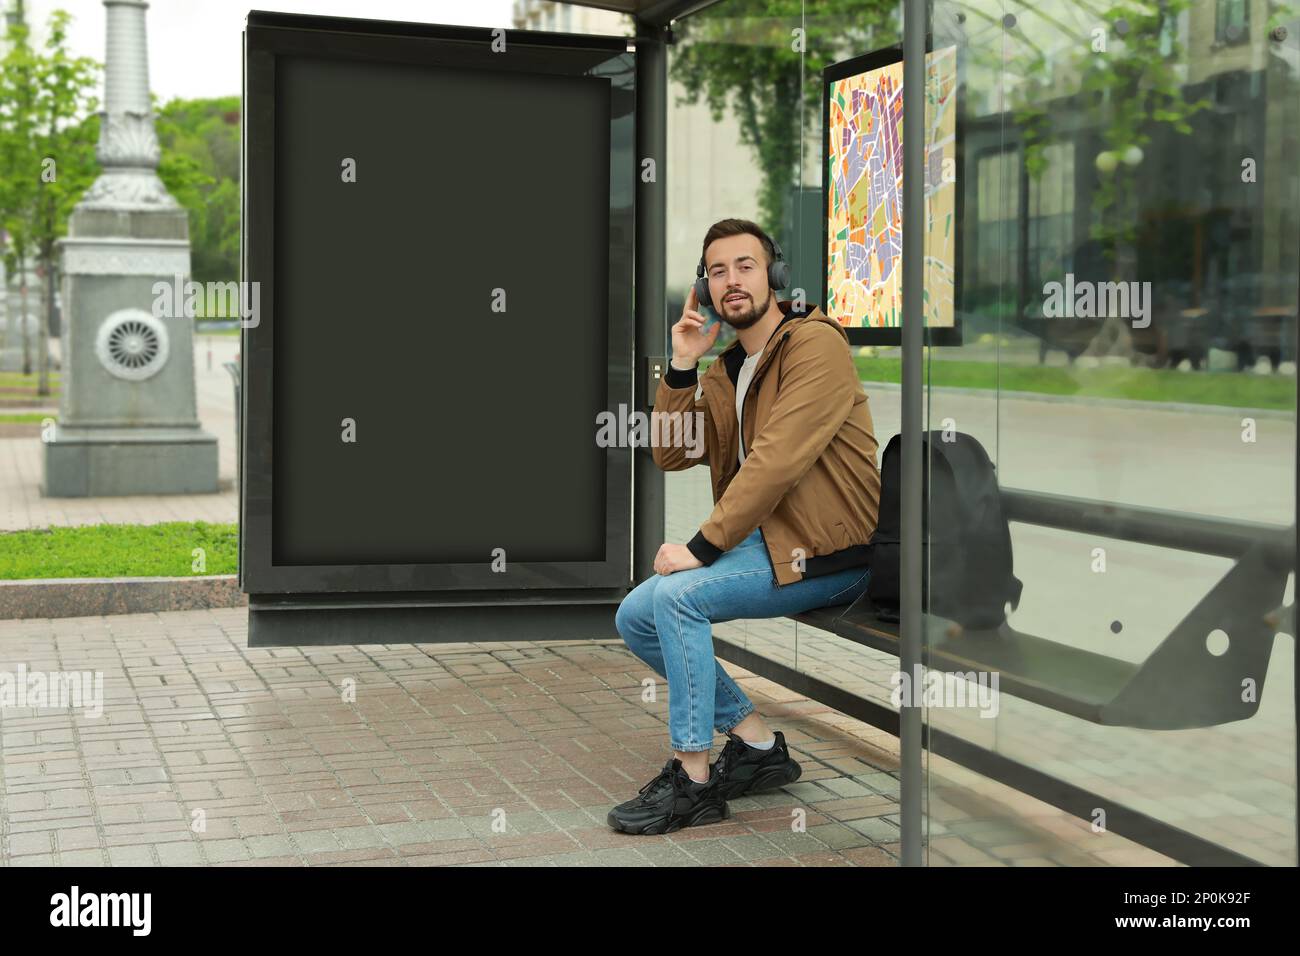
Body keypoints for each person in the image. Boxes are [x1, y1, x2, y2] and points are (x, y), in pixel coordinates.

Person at [607, 218, 882, 835]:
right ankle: (759, 748)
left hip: (832, 555)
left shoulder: (816, 345)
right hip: (768, 545)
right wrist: (681, 365)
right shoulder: (728, 368)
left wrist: (702, 548)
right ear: (705, 288)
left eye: (745, 265)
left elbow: (778, 459)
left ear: (775, 275)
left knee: (676, 599)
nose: (732, 280)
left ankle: (694, 780)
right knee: (635, 615)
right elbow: (672, 452)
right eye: (717, 271)